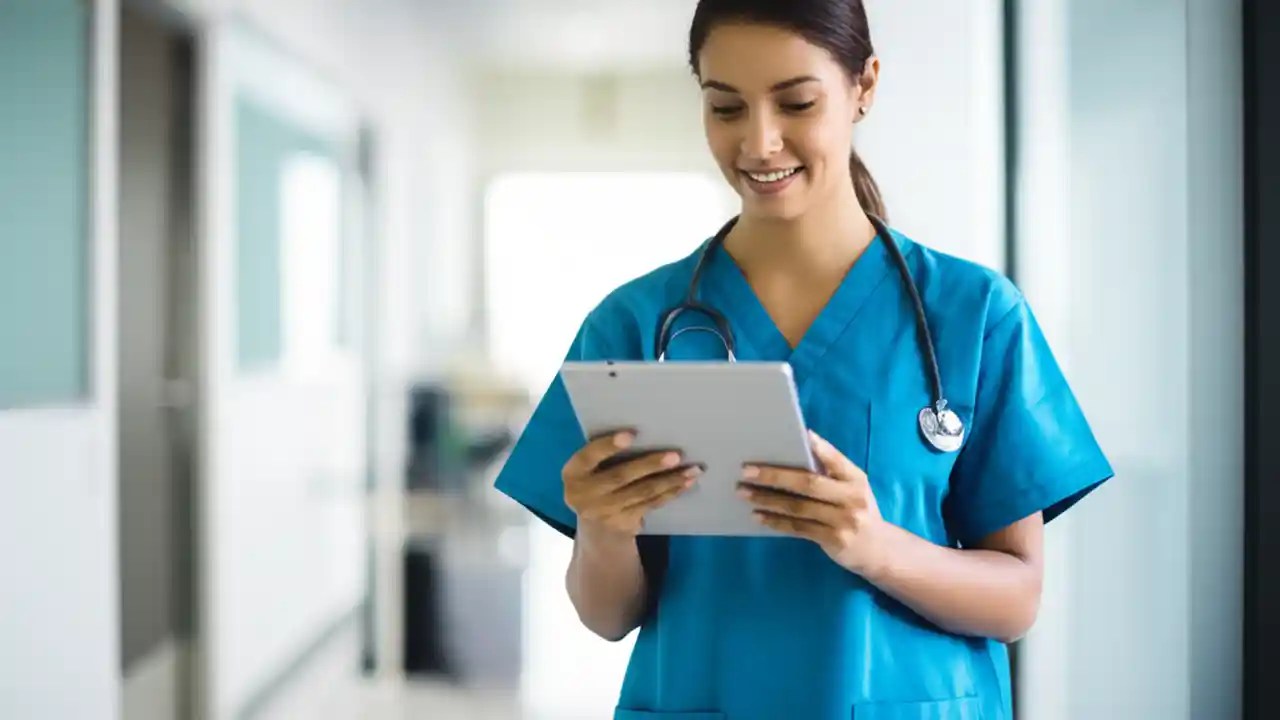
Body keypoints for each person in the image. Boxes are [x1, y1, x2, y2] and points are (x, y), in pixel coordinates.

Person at [492, 0, 1113, 717]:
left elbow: (1017, 600)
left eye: (796, 103)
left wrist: (874, 546)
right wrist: (603, 525)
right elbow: (607, 616)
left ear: (864, 86)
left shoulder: (974, 316)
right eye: (726, 108)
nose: (759, 143)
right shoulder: (632, 326)